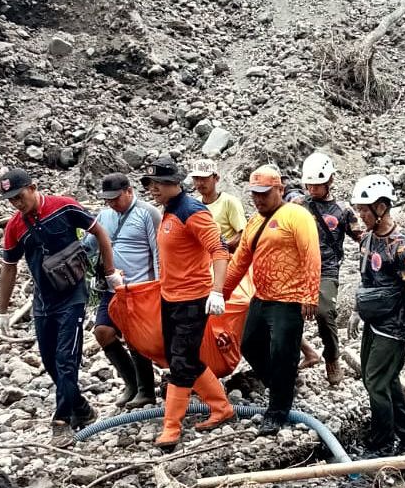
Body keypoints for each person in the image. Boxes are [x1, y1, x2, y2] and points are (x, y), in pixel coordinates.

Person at [0, 168, 118, 447]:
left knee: (66, 360)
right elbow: (9, 267)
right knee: (50, 360)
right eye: (10, 200)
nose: (17, 203)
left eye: (19, 196)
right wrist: (2, 311)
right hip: (43, 300)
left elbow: (99, 231)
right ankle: (82, 409)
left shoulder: (63, 207)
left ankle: (61, 420)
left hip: (72, 296)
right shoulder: (15, 227)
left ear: (34, 187)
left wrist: (109, 270)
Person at [142, 156, 235, 449]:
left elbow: (220, 250)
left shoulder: (192, 212)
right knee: (180, 355)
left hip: (193, 300)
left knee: (180, 361)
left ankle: (171, 427)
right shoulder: (169, 211)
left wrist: (217, 291)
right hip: (171, 298)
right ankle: (221, 407)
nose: (153, 188)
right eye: (150, 183)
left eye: (159, 183)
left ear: (174, 184)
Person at [224, 165, 322, 436]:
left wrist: (309, 293)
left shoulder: (296, 215)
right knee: (250, 344)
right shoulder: (254, 221)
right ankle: (280, 385)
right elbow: (239, 262)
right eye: (255, 194)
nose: (258, 199)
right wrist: (220, 295)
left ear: (280, 189)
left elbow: (311, 254)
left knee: (283, 353)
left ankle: (278, 411)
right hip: (262, 295)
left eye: (264, 194)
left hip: (289, 299)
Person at [346, 174, 405, 457]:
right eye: (358, 209)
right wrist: (358, 311)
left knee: (375, 381)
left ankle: (382, 443)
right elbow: (366, 278)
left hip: (393, 326)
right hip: (373, 321)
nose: (360, 215)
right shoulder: (368, 240)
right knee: (387, 379)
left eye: (364, 209)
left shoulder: (401, 244)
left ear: (381, 207)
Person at [89, 173, 160, 409]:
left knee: (135, 338)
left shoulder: (148, 213)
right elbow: (89, 245)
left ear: (129, 191)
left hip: (140, 288)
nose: (112, 203)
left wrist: (160, 286)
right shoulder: (105, 215)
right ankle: (131, 382)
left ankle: (146, 390)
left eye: (116, 198)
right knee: (102, 332)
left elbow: (158, 251)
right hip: (112, 288)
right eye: (107, 199)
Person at [297, 152, 363, 385]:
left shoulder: (342, 210)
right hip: (298, 268)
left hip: (327, 268)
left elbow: (360, 237)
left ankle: (332, 357)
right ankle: (301, 354)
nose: (313, 190)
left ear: (329, 182)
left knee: (325, 313)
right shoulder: (298, 205)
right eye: (310, 185)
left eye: (318, 185)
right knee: (286, 314)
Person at [187, 159, 247, 253]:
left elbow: (243, 233)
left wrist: (221, 247)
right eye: (196, 178)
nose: (199, 183)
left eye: (204, 178)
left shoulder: (229, 202)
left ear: (216, 178)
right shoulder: (194, 204)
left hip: (226, 259)